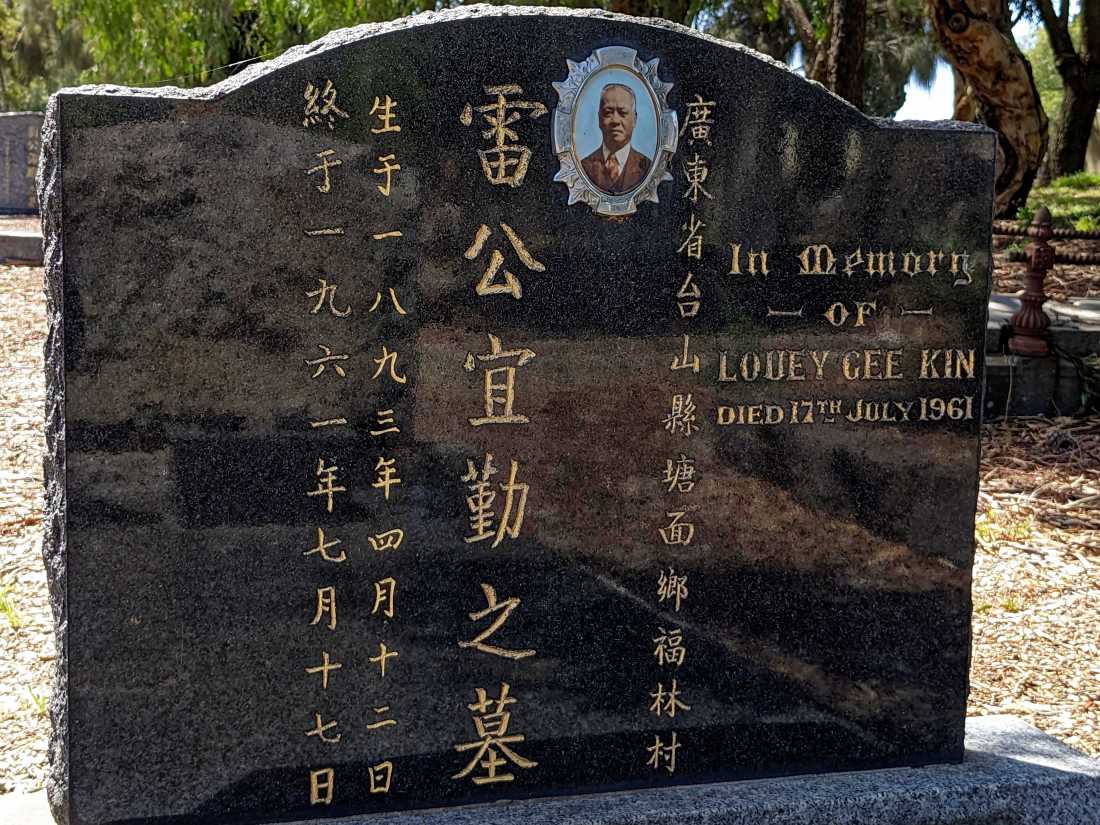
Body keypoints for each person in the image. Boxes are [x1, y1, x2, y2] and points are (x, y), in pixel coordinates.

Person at [580, 83, 652, 194]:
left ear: (635, 119)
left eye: (623, 113)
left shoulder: (648, 168)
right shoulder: (583, 168)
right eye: (608, 113)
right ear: (599, 118)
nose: (615, 120)